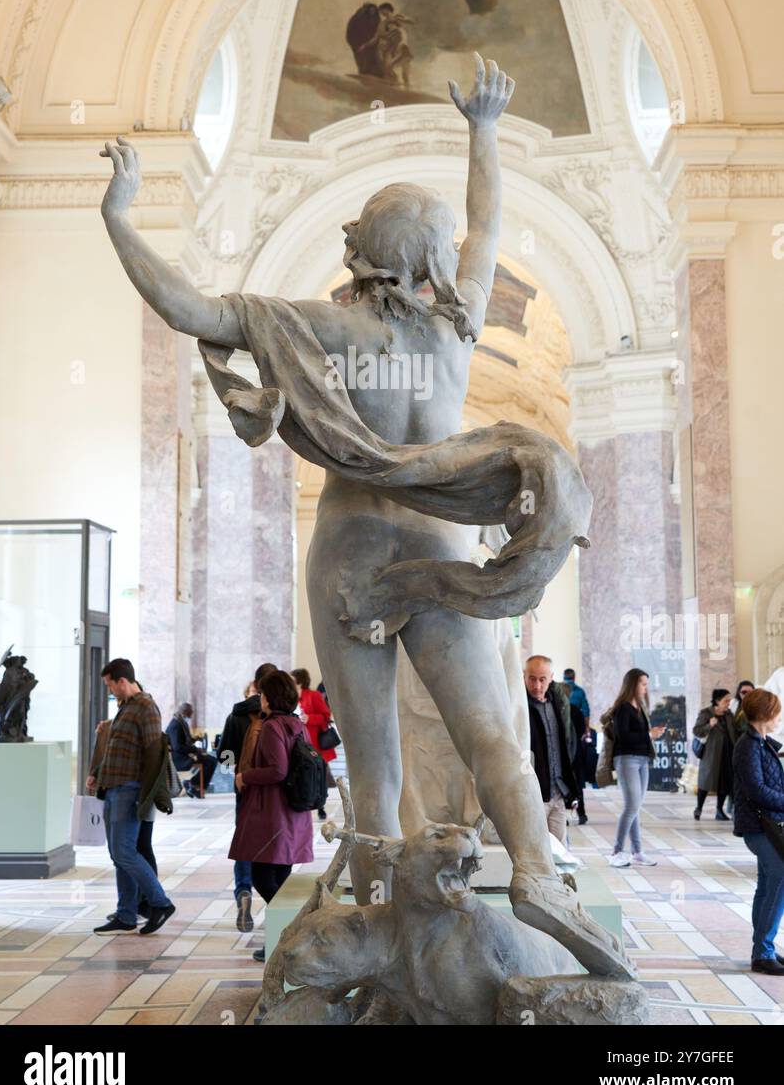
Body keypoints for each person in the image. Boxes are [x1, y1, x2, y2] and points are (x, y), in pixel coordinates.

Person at [99, 56, 628, 979]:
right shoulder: (456, 334)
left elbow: (189, 306)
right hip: (436, 547)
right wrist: (485, 129)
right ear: (428, 261)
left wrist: (119, 215)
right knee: (490, 733)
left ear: (362, 250)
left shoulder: (320, 328)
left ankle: (386, 938)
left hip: (348, 551)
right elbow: (488, 223)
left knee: (377, 769)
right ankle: (540, 874)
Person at [230, 669, 314, 962]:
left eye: (263, 694)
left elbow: (277, 770)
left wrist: (245, 776)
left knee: (263, 877)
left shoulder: (272, 727)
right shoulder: (298, 725)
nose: (260, 699)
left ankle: (293, 931)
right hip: (294, 814)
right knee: (280, 878)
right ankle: (283, 942)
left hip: (273, 813)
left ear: (270, 697)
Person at [86, 658, 175, 935]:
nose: (110, 691)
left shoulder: (146, 708)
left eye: (110, 685)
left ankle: (160, 903)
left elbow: (153, 755)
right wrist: (98, 773)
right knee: (117, 854)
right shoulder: (125, 708)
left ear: (122, 681)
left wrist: (145, 796)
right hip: (112, 788)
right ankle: (126, 914)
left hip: (129, 790)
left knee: (125, 851)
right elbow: (117, 748)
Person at [217, 662, 276, 932]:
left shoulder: (237, 715)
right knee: (273, 844)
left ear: (255, 684)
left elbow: (224, 755)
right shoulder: (280, 714)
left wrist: (237, 774)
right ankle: (276, 901)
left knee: (244, 842)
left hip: (245, 790)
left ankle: (243, 890)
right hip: (275, 793)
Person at [732, 688, 784, 975]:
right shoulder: (748, 745)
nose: (779, 717)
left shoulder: (761, 741)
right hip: (759, 825)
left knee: (767, 884)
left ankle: (763, 949)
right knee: (779, 878)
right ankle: (762, 952)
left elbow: (774, 757)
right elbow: (756, 790)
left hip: (767, 823)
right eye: (776, 712)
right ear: (765, 715)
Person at [89, 717, 158, 924]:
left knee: (137, 849)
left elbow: (227, 750)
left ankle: (151, 903)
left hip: (138, 793)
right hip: (138, 793)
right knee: (136, 849)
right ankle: (136, 906)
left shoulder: (143, 721)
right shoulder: (115, 726)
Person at [607, 668, 664, 868]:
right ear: (633, 684)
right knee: (631, 806)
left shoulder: (639, 707)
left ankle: (637, 851)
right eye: (643, 684)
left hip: (641, 759)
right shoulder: (623, 707)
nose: (646, 688)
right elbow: (623, 735)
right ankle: (616, 851)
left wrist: (651, 733)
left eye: (646, 684)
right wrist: (649, 735)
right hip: (627, 759)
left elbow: (638, 734)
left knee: (635, 807)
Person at [524, 655, 579, 844]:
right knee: (536, 851)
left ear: (551, 678)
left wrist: (572, 791)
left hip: (558, 791)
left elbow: (564, 748)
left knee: (561, 854)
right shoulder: (520, 707)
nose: (537, 686)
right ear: (524, 676)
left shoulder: (557, 704)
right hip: (534, 794)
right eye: (532, 678)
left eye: (542, 679)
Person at [292, 667, 336, 821]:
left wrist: (309, 718)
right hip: (297, 742)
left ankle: (320, 806)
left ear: (299, 680)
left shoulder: (314, 695)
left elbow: (325, 716)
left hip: (315, 742)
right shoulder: (291, 696)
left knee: (318, 775)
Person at [692, 689, 737, 820]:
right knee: (705, 782)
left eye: (729, 700)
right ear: (717, 701)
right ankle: (699, 808)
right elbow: (697, 731)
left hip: (728, 752)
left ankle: (719, 810)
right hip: (711, 754)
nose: (729, 703)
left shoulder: (729, 714)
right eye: (726, 700)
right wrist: (709, 726)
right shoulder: (706, 713)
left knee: (724, 783)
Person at [166, 701, 217, 798]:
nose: (191, 715)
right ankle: (193, 785)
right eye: (190, 713)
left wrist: (196, 739)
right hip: (179, 758)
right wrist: (196, 750)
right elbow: (178, 747)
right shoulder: (175, 725)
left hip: (184, 755)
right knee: (211, 761)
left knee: (212, 761)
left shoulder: (180, 723)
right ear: (185, 712)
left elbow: (184, 741)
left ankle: (194, 785)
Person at [557, 681, 588, 824]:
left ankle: (565, 816)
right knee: (577, 785)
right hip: (576, 754)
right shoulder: (576, 711)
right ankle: (581, 814)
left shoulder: (557, 710)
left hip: (562, 755)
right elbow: (582, 731)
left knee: (563, 785)